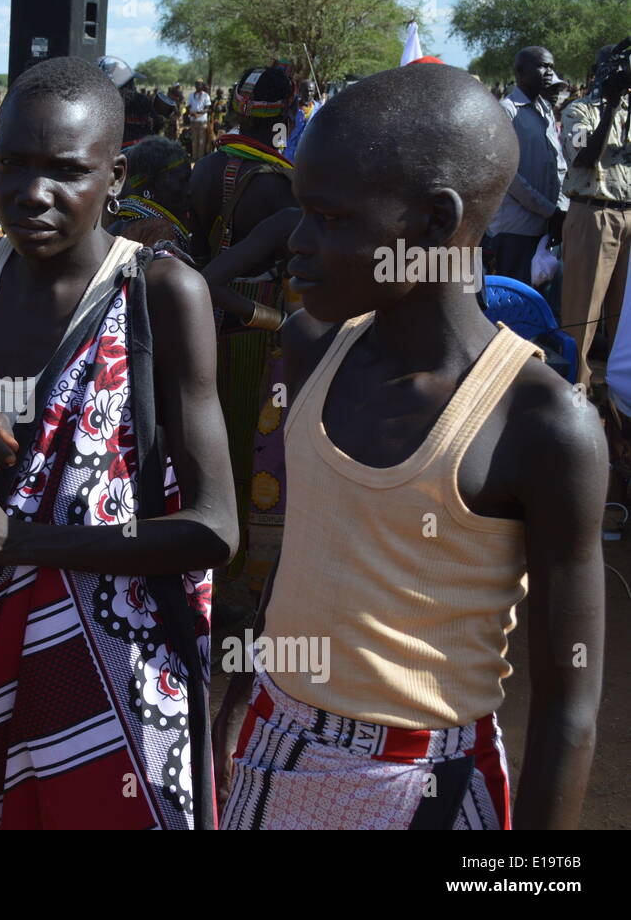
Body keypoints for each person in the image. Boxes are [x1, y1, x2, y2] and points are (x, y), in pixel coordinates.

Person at [217, 63, 606, 830]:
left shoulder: (543, 424)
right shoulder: (310, 349)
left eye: (328, 219)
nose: (295, 244)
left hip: (425, 783)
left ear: (434, 223)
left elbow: (570, 706)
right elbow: (312, 562)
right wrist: (240, 708)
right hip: (274, 750)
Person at [0, 56, 238, 830]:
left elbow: (214, 529)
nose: (32, 195)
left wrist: (23, 541)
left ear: (116, 174)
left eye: (66, 171)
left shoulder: (163, 294)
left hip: (126, 669)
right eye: (11, 165)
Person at [189, 64, 299, 586]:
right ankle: (236, 581)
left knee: (210, 443)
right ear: (290, 112)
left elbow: (198, 258)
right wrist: (273, 317)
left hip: (200, 321)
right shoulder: (281, 186)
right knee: (250, 450)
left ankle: (207, 570)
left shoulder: (205, 169)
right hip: (258, 329)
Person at [561, 42, 631, 388]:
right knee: (582, 314)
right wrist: (612, 104)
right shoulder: (579, 110)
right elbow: (585, 157)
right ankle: (575, 389)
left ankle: (618, 393)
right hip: (594, 215)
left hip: (628, 216)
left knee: (625, 316)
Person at [488, 47, 567, 288]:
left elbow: (559, 165)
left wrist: (561, 208)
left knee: (541, 301)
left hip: (546, 226)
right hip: (516, 230)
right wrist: (548, 210)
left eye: (552, 67)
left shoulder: (545, 110)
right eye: (542, 66)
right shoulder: (506, 111)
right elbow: (508, 174)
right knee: (514, 303)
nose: (549, 72)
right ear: (521, 72)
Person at [108, 135, 191, 248]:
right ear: (154, 185)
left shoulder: (118, 223)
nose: (189, 191)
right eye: (183, 180)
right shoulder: (158, 230)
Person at [283, 79, 321, 163]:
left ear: (314, 92)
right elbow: (281, 128)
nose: (308, 94)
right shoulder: (291, 108)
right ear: (300, 91)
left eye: (311, 91)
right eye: (305, 91)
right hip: (286, 155)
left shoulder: (319, 110)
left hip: (305, 157)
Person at [186, 81, 212, 160]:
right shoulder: (191, 95)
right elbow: (188, 106)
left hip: (202, 120)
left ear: (202, 86)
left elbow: (207, 108)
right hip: (193, 120)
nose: (198, 86)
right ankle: (194, 157)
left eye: (199, 85)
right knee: (194, 140)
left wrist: (199, 114)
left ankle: (200, 158)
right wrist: (191, 112)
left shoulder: (206, 95)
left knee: (201, 140)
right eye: (196, 85)